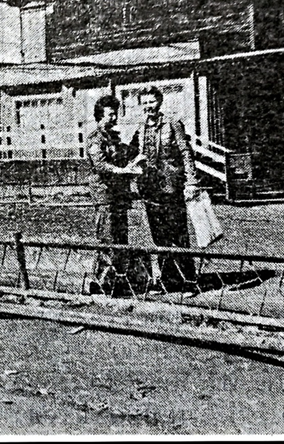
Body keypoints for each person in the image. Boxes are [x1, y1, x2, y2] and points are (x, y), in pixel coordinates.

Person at [128, 86, 199, 292]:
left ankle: (187, 282)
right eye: (145, 103)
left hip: (172, 189)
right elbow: (134, 154)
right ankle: (168, 282)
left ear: (159, 102)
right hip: (151, 191)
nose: (149, 106)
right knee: (159, 238)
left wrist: (191, 182)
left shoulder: (173, 124)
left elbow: (186, 153)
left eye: (152, 101)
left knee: (178, 236)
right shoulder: (140, 129)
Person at [85, 95, 144, 296]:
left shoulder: (113, 137)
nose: (114, 118)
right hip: (104, 197)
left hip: (118, 196)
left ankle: (118, 281)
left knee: (120, 239)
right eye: (110, 114)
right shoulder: (95, 138)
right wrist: (123, 171)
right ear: (100, 117)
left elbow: (124, 155)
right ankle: (101, 284)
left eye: (115, 113)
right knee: (107, 239)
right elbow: (100, 165)